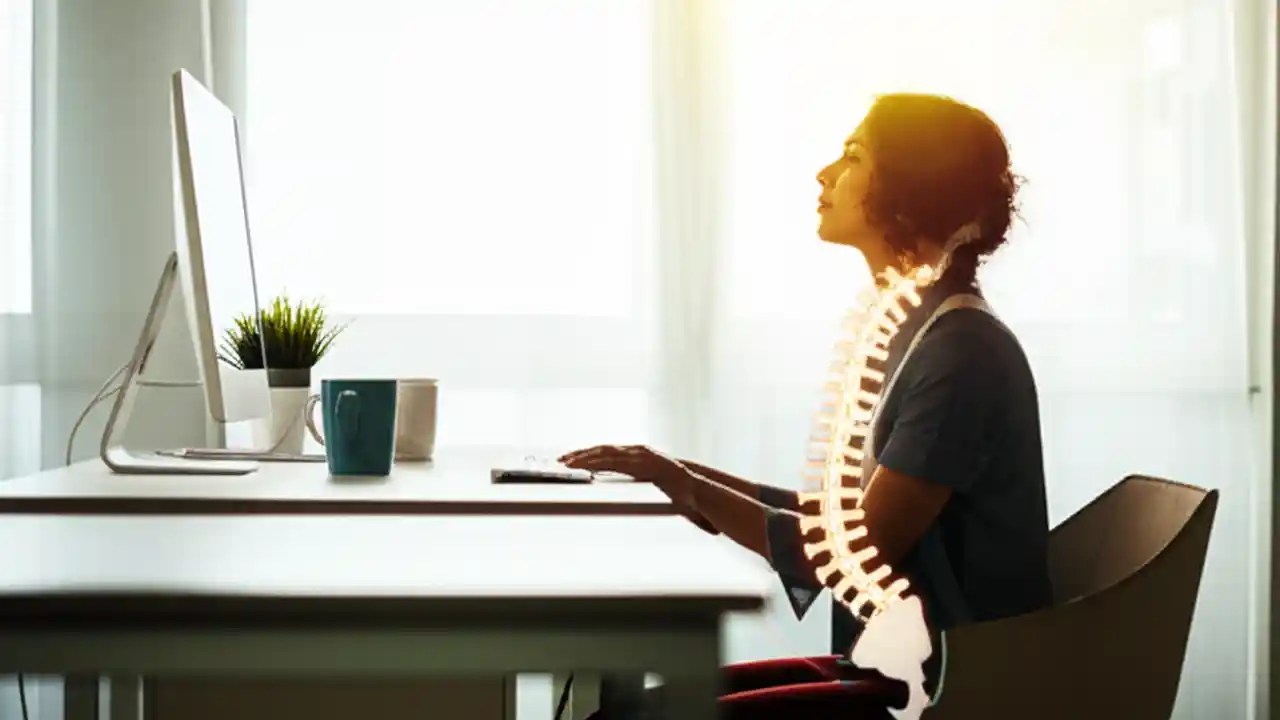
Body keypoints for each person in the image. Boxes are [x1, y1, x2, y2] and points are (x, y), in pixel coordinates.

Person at [561, 93, 1053, 719]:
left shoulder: (961, 352)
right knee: (628, 710)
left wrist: (686, 487)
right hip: (890, 668)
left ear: (910, 189)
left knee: (628, 717)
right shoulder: (922, 332)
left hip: (942, 691)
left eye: (852, 156)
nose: (825, 174)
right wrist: (677, 475)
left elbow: (854, 549)